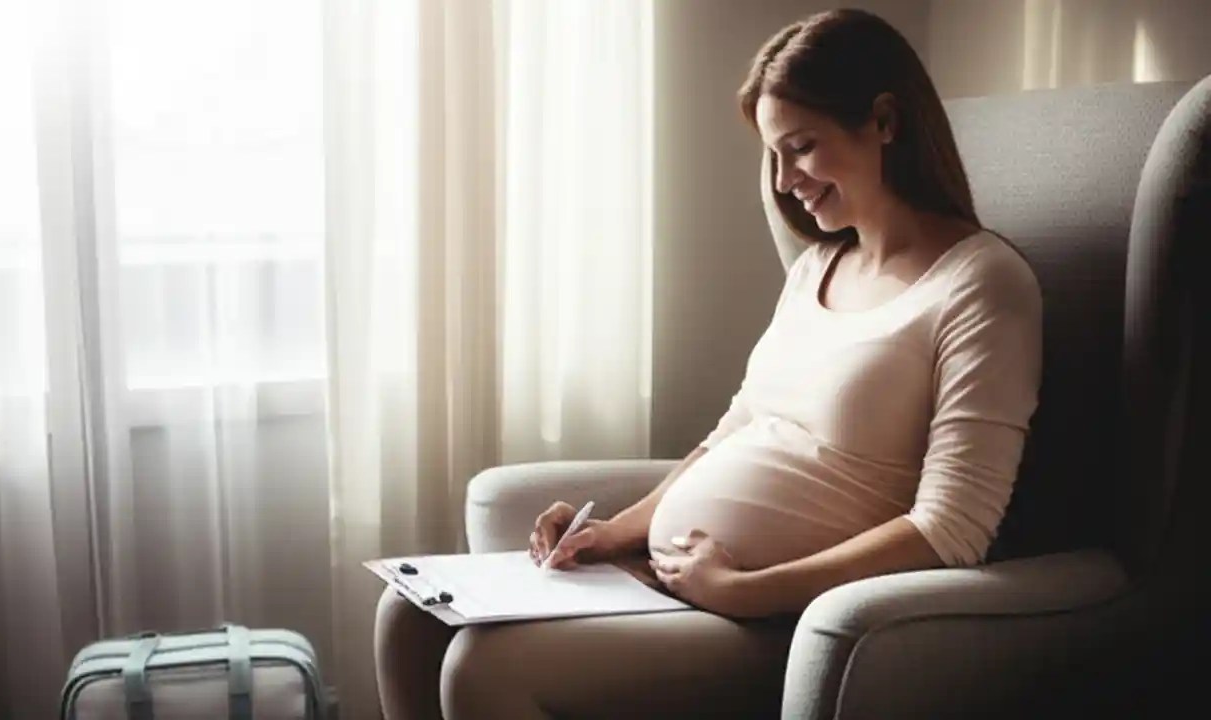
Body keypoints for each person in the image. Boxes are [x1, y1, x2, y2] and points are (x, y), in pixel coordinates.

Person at [374, 8, 1043, 719]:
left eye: (802, 147)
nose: (784, 181)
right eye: (773, 155)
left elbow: (953, 530)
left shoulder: (982, 284)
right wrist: (614, 534)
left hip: (787, 620)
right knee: (406, 619)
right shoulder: (821, 264)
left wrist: (747, 590)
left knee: (485, 670)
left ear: (883, 121)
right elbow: (738, 431)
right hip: (689, 588)